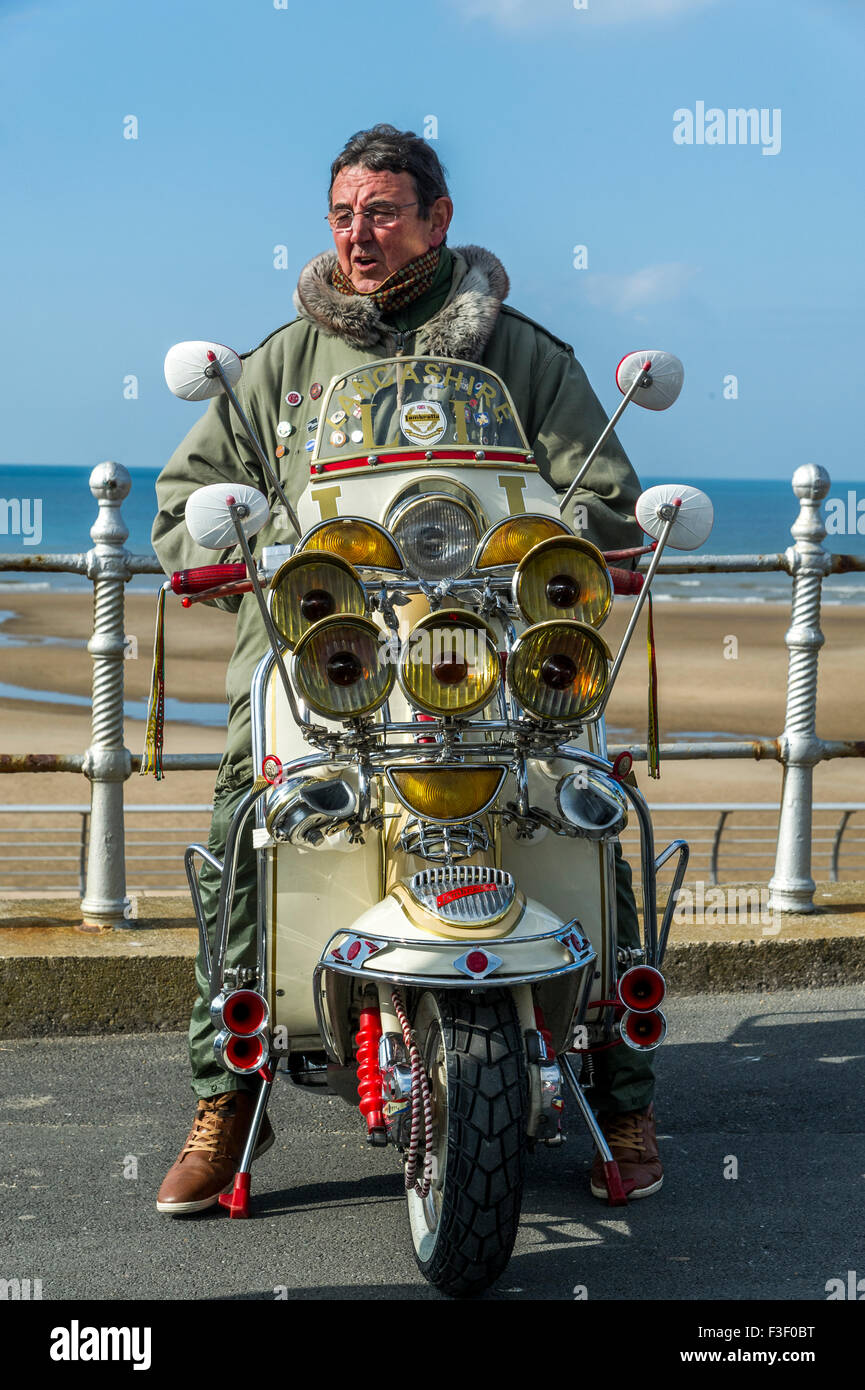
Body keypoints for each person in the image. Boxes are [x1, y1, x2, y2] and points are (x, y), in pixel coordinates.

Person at [152, 124, 662, 1215]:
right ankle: (228, 1098)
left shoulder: (521, 354)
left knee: (586, 804)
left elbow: (602, 496)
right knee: (250, 813)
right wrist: (235, 560)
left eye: (382, 211)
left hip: (492, 649)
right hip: (318, 655)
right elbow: (183, 505)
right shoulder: (278, 364)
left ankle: (621, 1089)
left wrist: (559, 548)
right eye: (342, 213)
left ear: (437, 219)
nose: (358, 234)